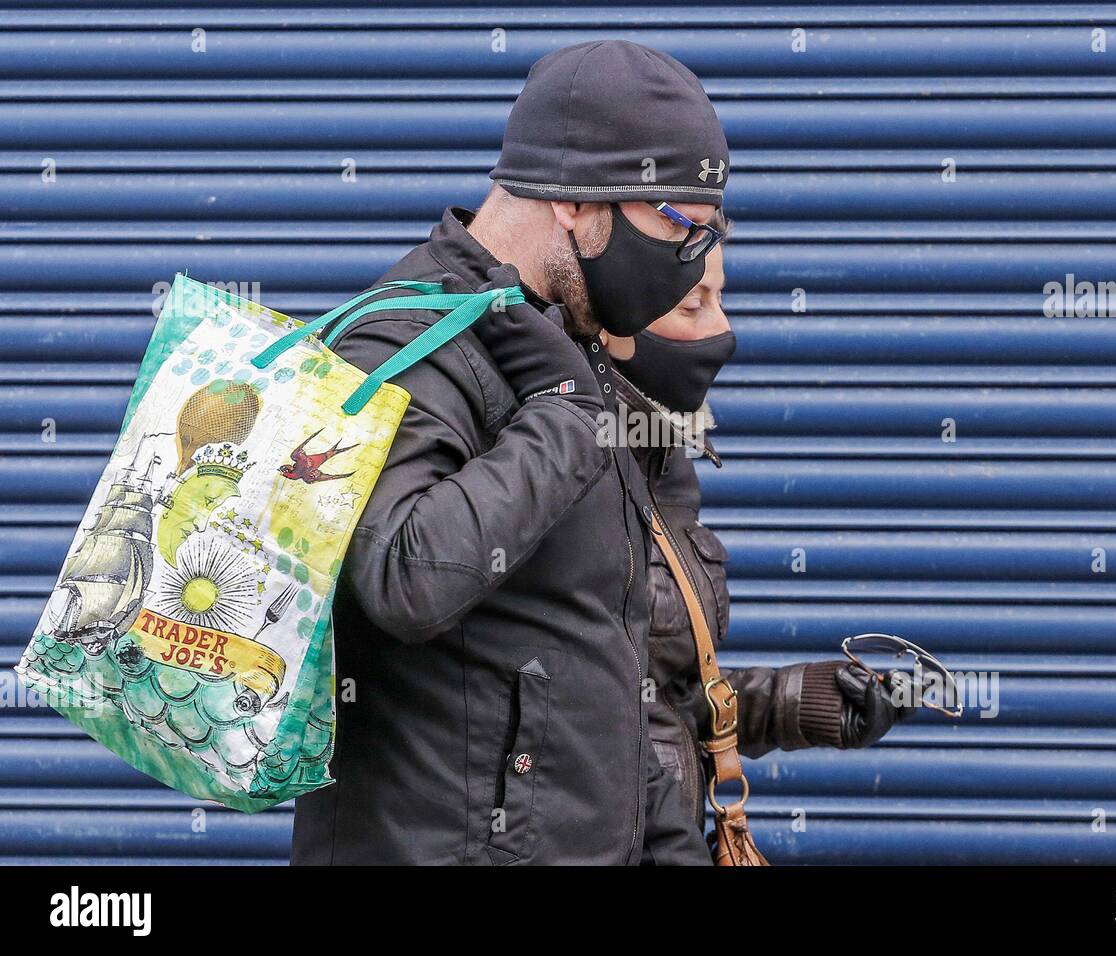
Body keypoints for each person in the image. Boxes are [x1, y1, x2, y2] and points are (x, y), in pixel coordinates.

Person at [291, 40, 730, 865]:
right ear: (574, 200)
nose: (691, 262)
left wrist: (669, 846)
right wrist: (563, 415)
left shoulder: (568, 341)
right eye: (679, 227)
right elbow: (403, 580)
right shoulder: (400, 345)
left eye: (710, 234)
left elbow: (608, 650)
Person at [605, 215, 914, 833]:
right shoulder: (555, 462)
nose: (723, 330)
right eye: (696, 306)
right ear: (614, 323)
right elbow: (555, 731)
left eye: (721, 301)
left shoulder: (659, 459)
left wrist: (798, 702)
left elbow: (657, 699)